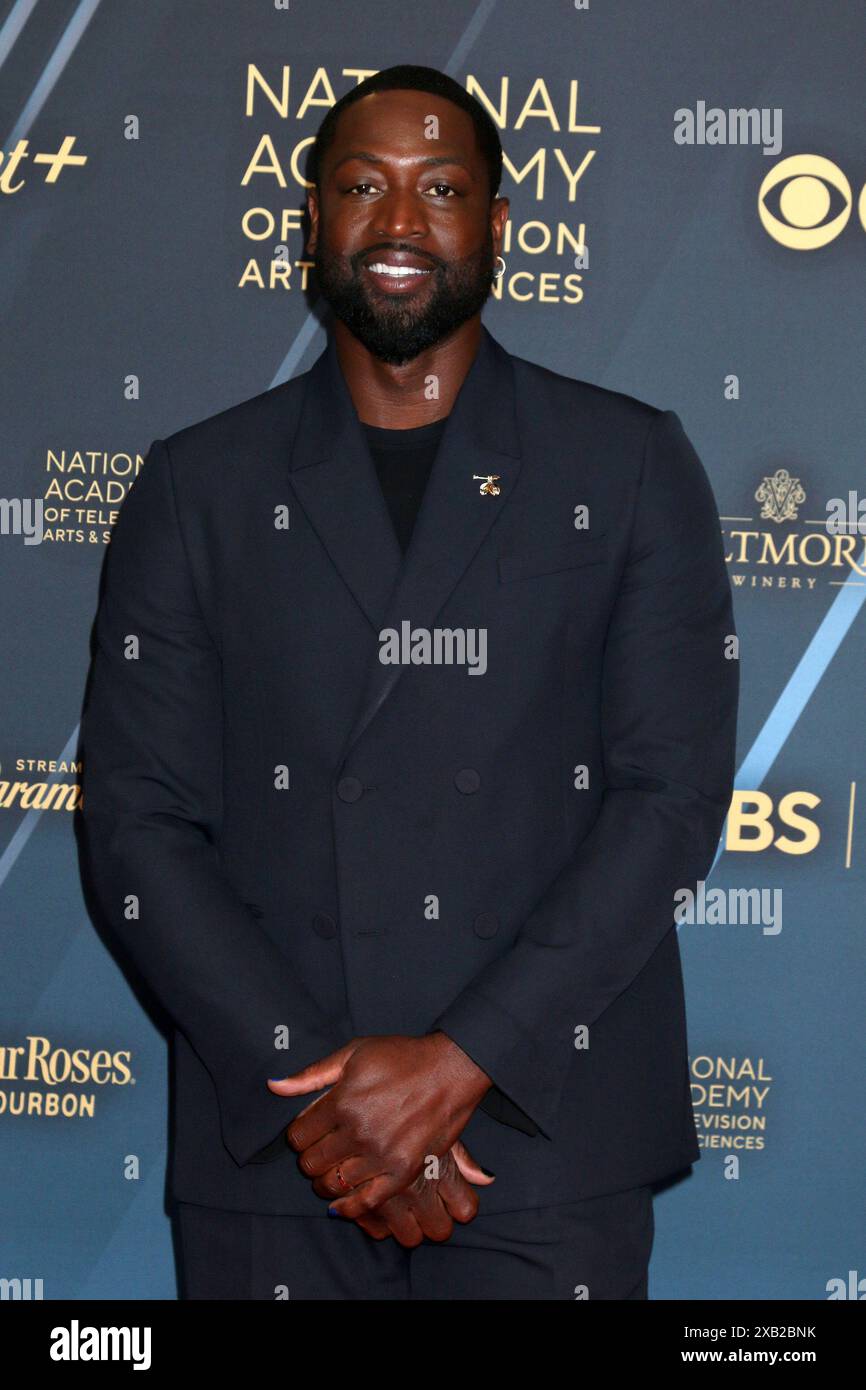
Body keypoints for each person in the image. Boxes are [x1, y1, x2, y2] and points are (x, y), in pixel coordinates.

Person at [80, 64, 738, 1300]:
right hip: (280, 1149)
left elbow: (667, 800)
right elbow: (135, 824)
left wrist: (456, 1065)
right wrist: (330, 1098)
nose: (397, 223)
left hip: (543, 1142)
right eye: (360, 188)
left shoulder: (628, 463)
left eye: (439, 189)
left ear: (495, 227)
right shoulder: (197, 487)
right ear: (311, 224)